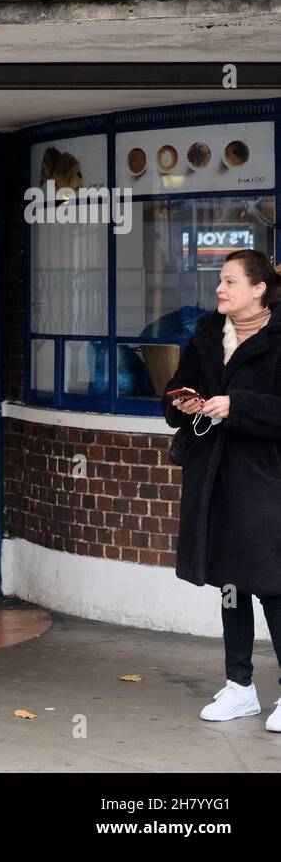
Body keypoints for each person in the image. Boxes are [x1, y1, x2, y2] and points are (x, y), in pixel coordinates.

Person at [163, 248, 281, 732]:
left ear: (259, 289)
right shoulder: (209, 332)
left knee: (273, 586)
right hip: (212, 478)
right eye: (219, 281)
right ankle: (240, 687)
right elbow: (176, 388)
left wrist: (240, 406)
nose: (220, 289)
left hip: (265, 481)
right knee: (230, 585)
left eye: (230, 281)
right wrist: (184, 402)